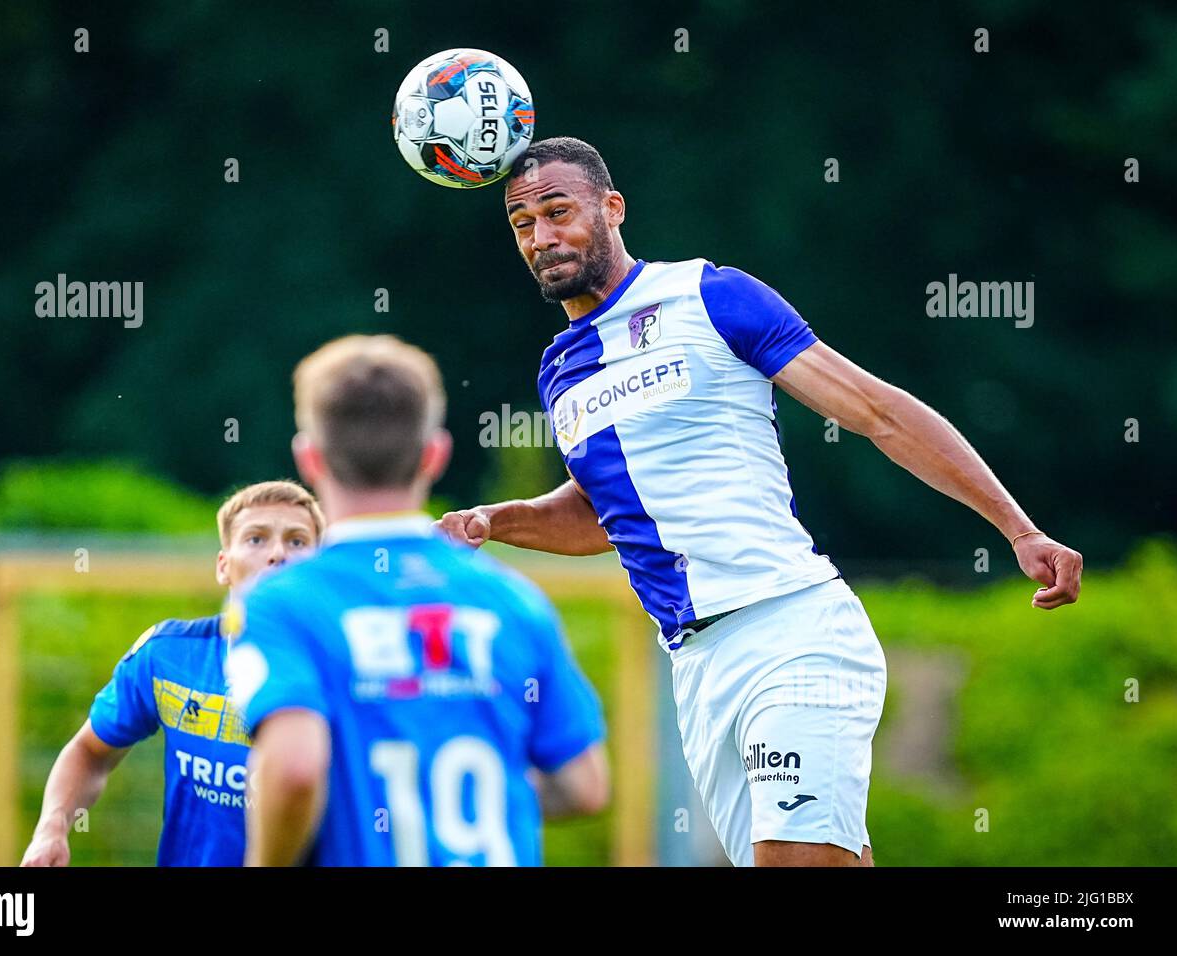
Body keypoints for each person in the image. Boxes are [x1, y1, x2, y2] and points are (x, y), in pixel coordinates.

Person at [436, 136, 1083, 868]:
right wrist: (494, 521)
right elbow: (604, 515)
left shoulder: (710, 296)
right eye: (523, 224)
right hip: (697, 665)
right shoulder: (561, 369)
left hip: (789, 627)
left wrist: (1018, 528)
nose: (542, 237)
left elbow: (876, 411)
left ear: (613, 208)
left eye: (559, 212)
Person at [226, 334, 608, 866]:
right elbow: (584, 784)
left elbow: (294, 768)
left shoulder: (280, 603)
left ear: (308, 459)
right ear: (436, 454)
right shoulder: (512, 599)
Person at [20, 480, 324, 867]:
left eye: (297, 542)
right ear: (223, 566)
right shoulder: (168, 656)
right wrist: (52, 827)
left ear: (319, 567)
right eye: (256, 539)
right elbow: (90, 753)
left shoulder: (348, 666)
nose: (278, 553)